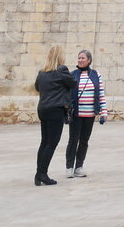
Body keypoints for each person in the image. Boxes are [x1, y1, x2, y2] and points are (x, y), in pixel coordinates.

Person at [33, 45, 76, 186]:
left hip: (43, 109)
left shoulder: (42, 72)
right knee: (52, 143)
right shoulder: (61, 70)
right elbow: (73, 83)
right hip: (55, 109)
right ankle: (43, 174)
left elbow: (37, 87)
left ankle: (38, 174)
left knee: (44, 142)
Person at [65, 49, 107, 177]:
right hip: (76, 114)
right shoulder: (72, 75)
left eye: (83, 58)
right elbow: (66, 94)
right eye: (79, 58)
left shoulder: (96, 75)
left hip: (90, 114)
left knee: (84, 141)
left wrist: (103, 112)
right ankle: (69, 167)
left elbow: (101, 94)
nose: (80, 60)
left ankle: (79, 167)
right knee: (73, 140)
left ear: (89, 60)